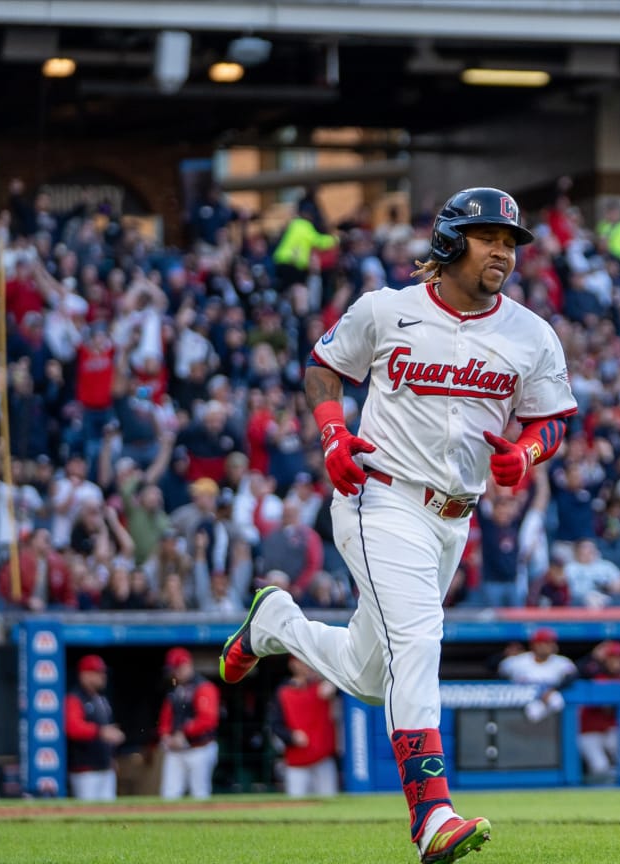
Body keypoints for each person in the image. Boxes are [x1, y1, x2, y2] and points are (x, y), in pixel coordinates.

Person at [217, 187, 573, 864]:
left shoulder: (531, 333)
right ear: (449, 241)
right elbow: (324, 367)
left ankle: (275, 623)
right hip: (378, 496)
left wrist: (527, 453)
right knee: (419, 638)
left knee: (369, 673)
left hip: (453, 520)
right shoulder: (386, 309)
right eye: (489, 238)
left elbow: (552, 416)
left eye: (510, 242)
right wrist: (331, 434)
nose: (503, 252)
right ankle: (431, 813)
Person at [268, 656, 340, 798]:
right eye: (301, 661)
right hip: (297, 760)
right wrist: (291, 736)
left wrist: (332, 683)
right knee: (297, 803)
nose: (306, 665)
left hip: (323, 758)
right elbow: (275, 725)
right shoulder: (284, 692)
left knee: (329, 802)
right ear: (293, 664)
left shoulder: (323, 687)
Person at [157, 646, 220, 800]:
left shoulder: (203, 686)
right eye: (173, 669)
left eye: (178, 668)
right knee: (170, 793)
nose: (175, 673)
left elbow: (208, 719)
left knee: (199, 793)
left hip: (199, 747)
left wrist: (184, 733)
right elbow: (165, 718)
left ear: (187, 665)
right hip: (176, 749)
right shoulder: (175, 690)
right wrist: (165, 736)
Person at [65, 654, 124, 801]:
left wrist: (111, 757)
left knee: (109, 809)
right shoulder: (75, 698)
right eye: (97, 672)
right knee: (87, 809)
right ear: (84, 675)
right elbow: (73, 728)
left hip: (105, 766)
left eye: (102, 672)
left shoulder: (101, 700)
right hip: (85, 769)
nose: (102, 676)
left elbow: (107, 732)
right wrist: (100, 731)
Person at [576, 640, 620, 782]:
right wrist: (593, 656)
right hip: (588, 732)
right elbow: (575, 672)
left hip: (609, 731)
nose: (617, 662)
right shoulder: (592, 675)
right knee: (600, 767)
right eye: (613, 658)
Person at [499, 628, 577, 724]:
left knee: (556, 700)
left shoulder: (561, 662)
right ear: (534, 645)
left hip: (547, 707)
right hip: (519, 705)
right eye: (546, 643)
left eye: (552, 643)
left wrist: (553, 690)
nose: (550, 646)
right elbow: (497, 671)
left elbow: (572, 676)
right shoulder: (518, 661)